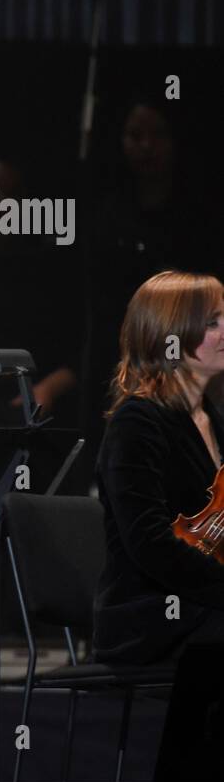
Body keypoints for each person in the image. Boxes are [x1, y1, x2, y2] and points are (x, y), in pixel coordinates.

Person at [94, 270, 224, 665]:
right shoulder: (137, 423)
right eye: (213, 322)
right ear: (171, 335)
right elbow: (151, 546)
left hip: (204, 601)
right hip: (153, 613)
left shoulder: (213, 419)